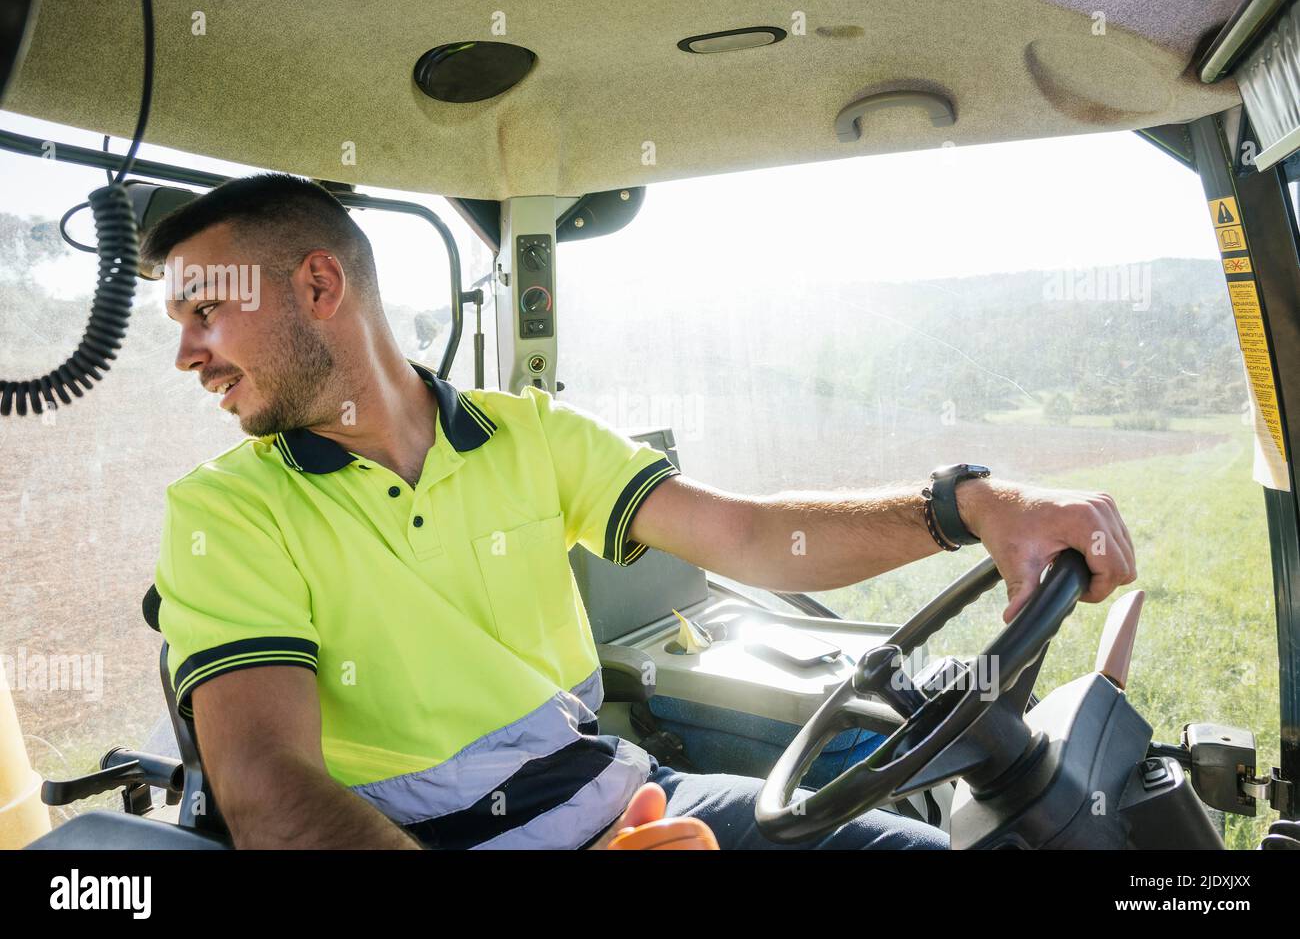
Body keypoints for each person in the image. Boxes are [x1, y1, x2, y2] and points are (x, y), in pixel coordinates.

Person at [144, 174, 1136, 850]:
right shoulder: (224, 513)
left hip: (625, 797)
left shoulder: (528, 435)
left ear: (319, 283)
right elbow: (267, 792)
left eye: (204, 311)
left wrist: (965, 503)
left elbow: (749, 536)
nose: (187, 354)